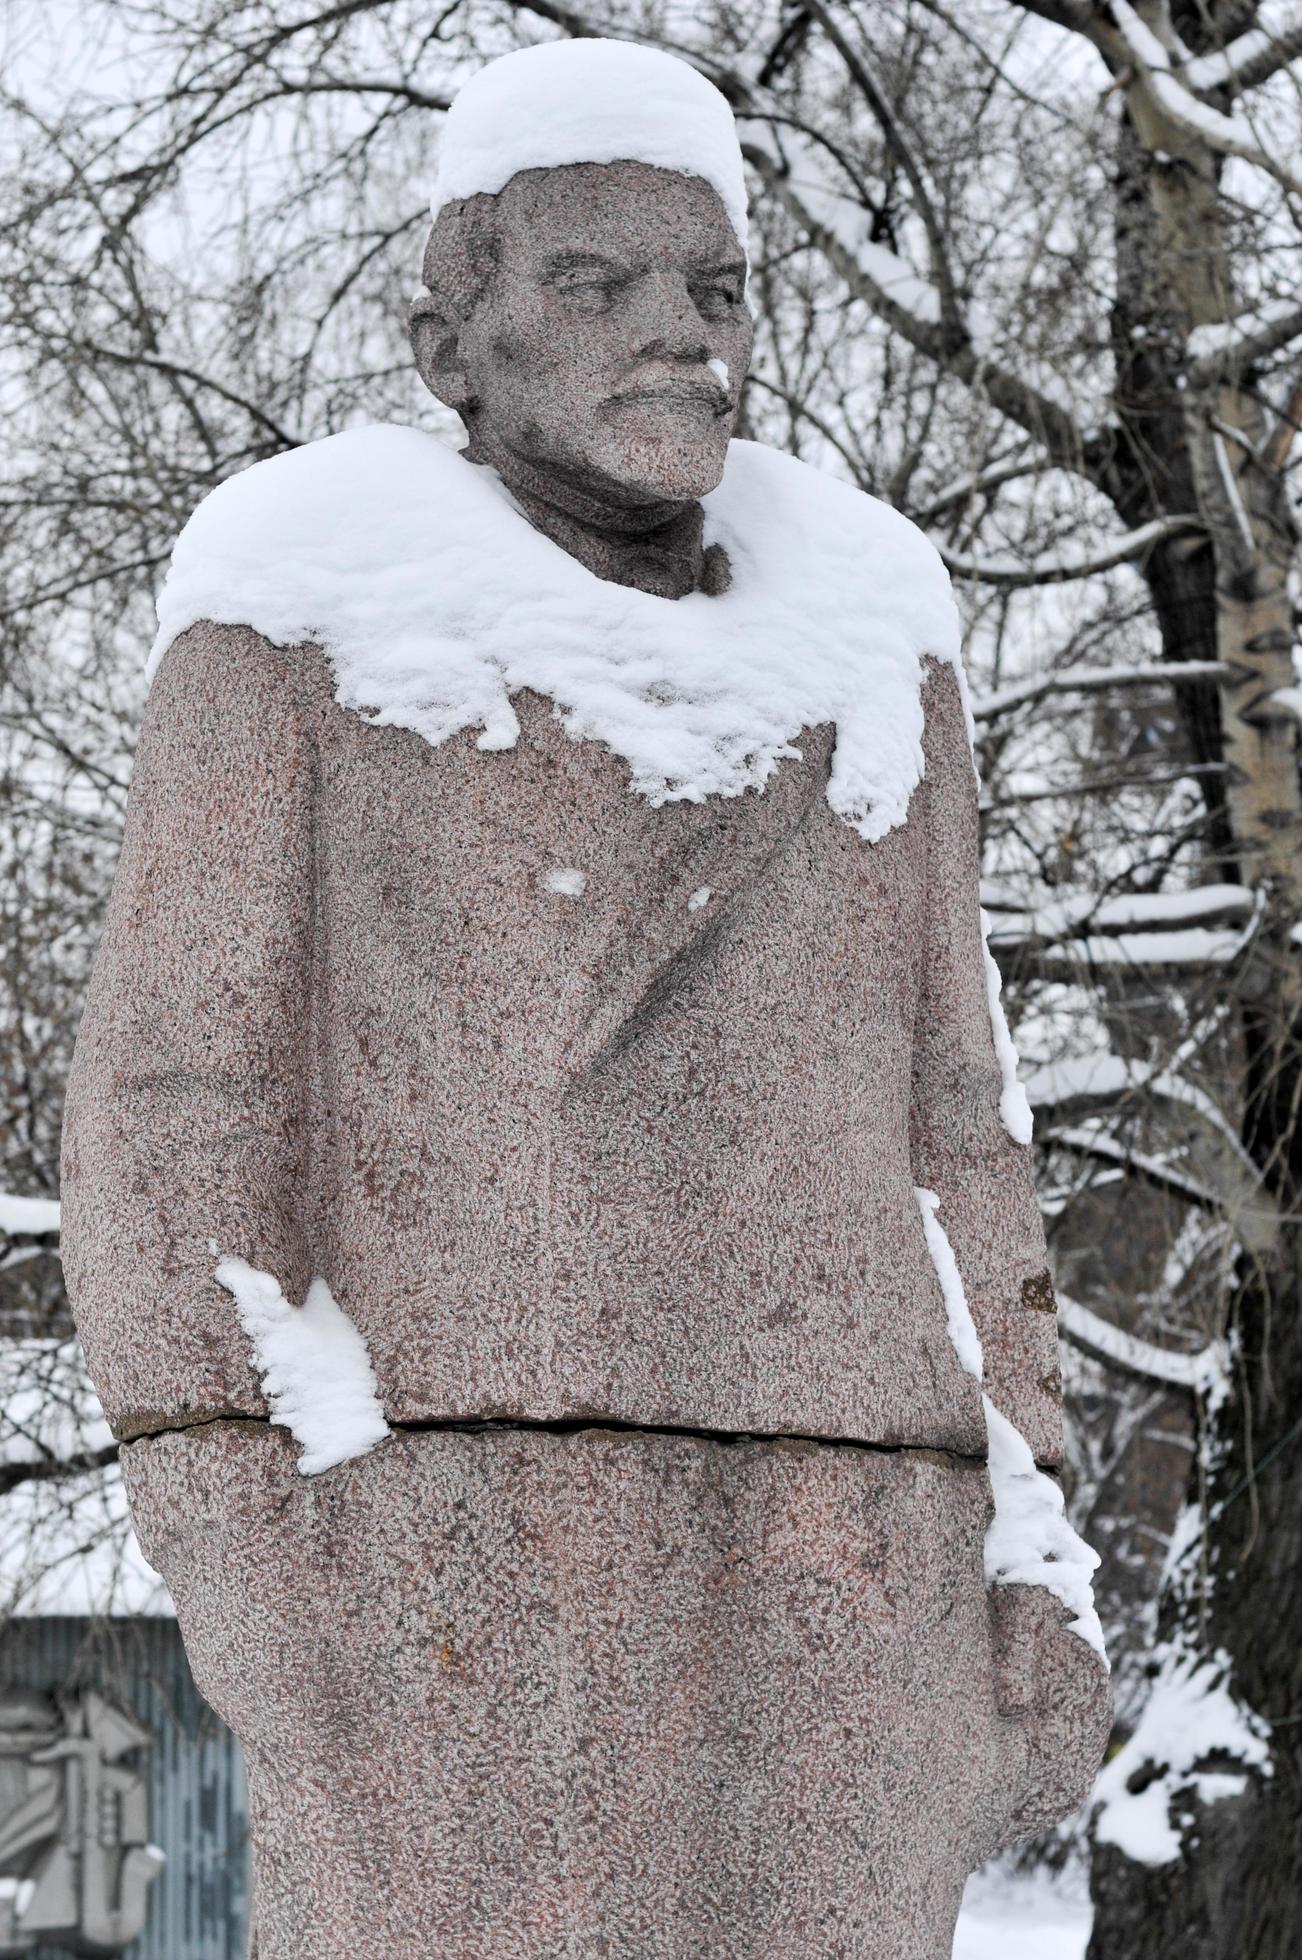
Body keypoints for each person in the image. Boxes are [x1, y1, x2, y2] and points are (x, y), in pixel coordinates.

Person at [61, 39, 1111, 1958]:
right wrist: (249, 1544)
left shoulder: (876, 640)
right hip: (448, 1542)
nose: (678, 339)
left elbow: (964, 1129)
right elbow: (177, 1114)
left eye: (716, 293)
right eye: (596, 285)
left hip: (852, 1550)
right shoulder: (300, 621)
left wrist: (1033, 1549)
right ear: (452, 342)